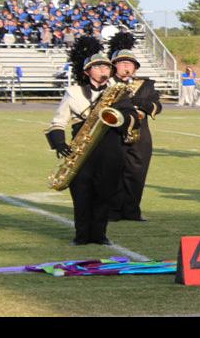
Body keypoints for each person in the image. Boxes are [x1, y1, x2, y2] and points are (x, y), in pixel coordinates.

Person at [44, 36, 138, 245]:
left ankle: (100, 235)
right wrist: (59, 143)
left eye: (106, 66)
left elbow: (131, 117)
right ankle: (81, 235)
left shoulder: (118, 92)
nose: (104, 70)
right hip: (82, 145)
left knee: (105, 192)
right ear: (88, 71)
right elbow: (58, 121)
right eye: (98, 67)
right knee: (82, 193)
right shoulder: (74, 92)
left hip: (110, 145)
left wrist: (119, 118)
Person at [106, 33, 163, 222]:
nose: (126, 67)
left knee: (137, 173)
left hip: (140, 135)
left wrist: (138, 101)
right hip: (112, 134)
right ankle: (112, 211)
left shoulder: (146, 85)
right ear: (114, 66)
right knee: (113, 173)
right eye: (121, 63)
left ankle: (131, 211)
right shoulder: (108, 85)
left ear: (136, 67)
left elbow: (156, 106)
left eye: (130, 64)